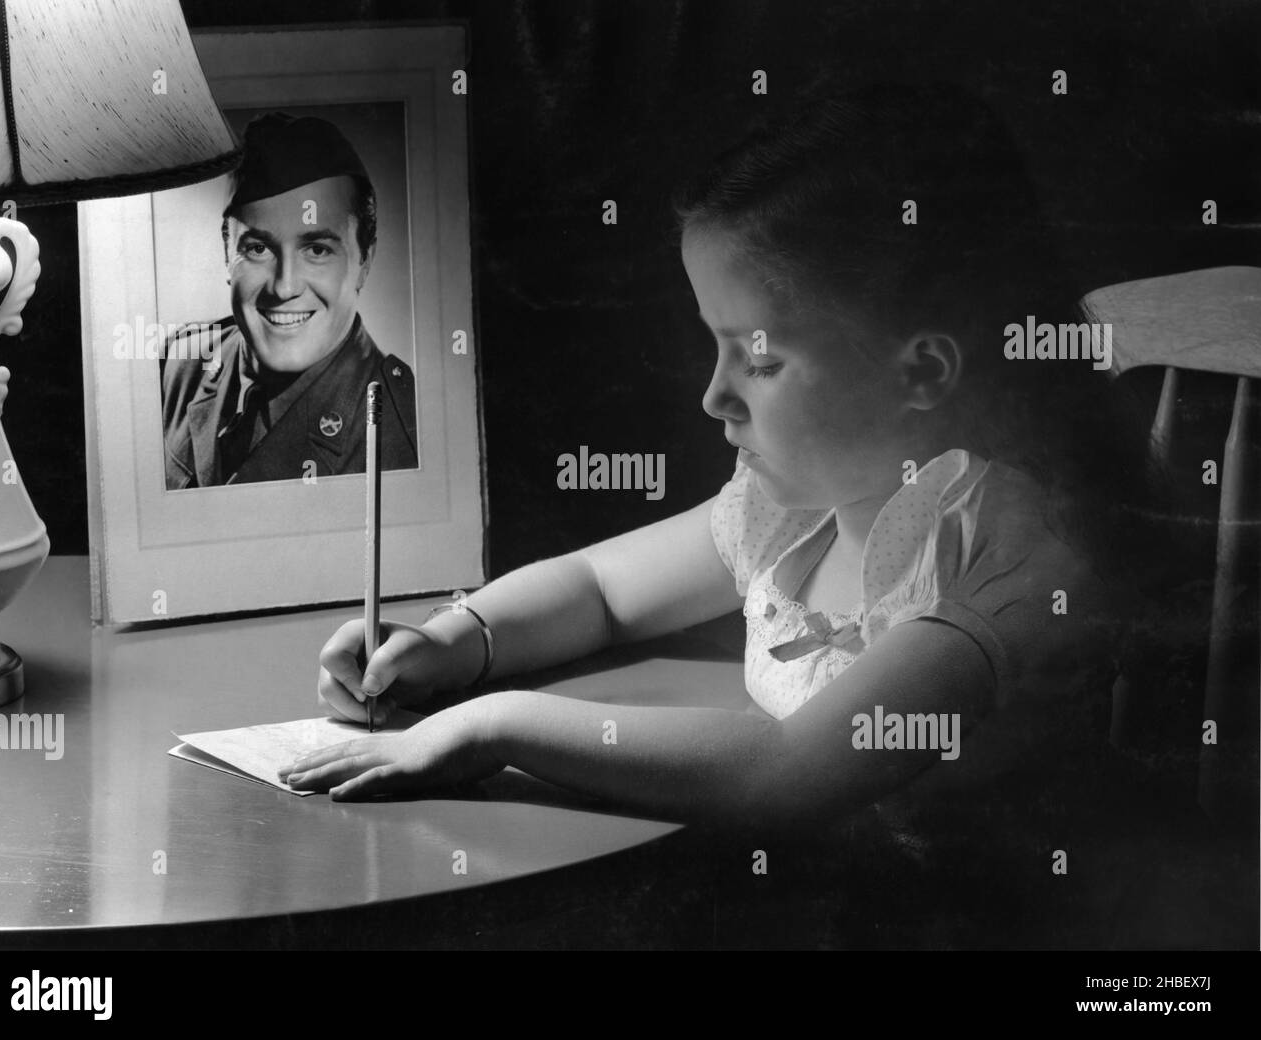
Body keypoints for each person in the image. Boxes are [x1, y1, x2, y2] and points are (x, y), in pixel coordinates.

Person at [282, 83, 1167, 944]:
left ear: (922, 372)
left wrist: (490, 725)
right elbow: (599, 589)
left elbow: (787, 773)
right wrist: (452, 643)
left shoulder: (1004, 553)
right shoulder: (793, 511)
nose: (713, 397)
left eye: (759, 361)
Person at [161, 112, 417, 489]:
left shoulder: (403, 426)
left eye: (316, 249)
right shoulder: (180, 366)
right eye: (259, 248)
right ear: (226, 253)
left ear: (364, 261)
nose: (283, 288)